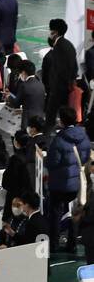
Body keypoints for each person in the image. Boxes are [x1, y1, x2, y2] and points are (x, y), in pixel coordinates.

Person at [45, 105, 89, 249]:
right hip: (76, 182)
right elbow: (86, 156)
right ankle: (72, 243)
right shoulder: (83, 136)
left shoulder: (59, 139)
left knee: (55, 214)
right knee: (74, 212)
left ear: (62, 120)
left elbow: (53, 162)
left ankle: (54, 243)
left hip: (59, 183)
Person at [42, 18, 78, 127]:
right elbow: (74, 67)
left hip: (58, 88)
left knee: (50, 115)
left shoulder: (59, 47)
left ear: (55, 32)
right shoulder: (69, 45)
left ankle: (47, 136)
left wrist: (52, 87)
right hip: (66, 87)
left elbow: (59, 70)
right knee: (64, 113)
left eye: (50, 30)